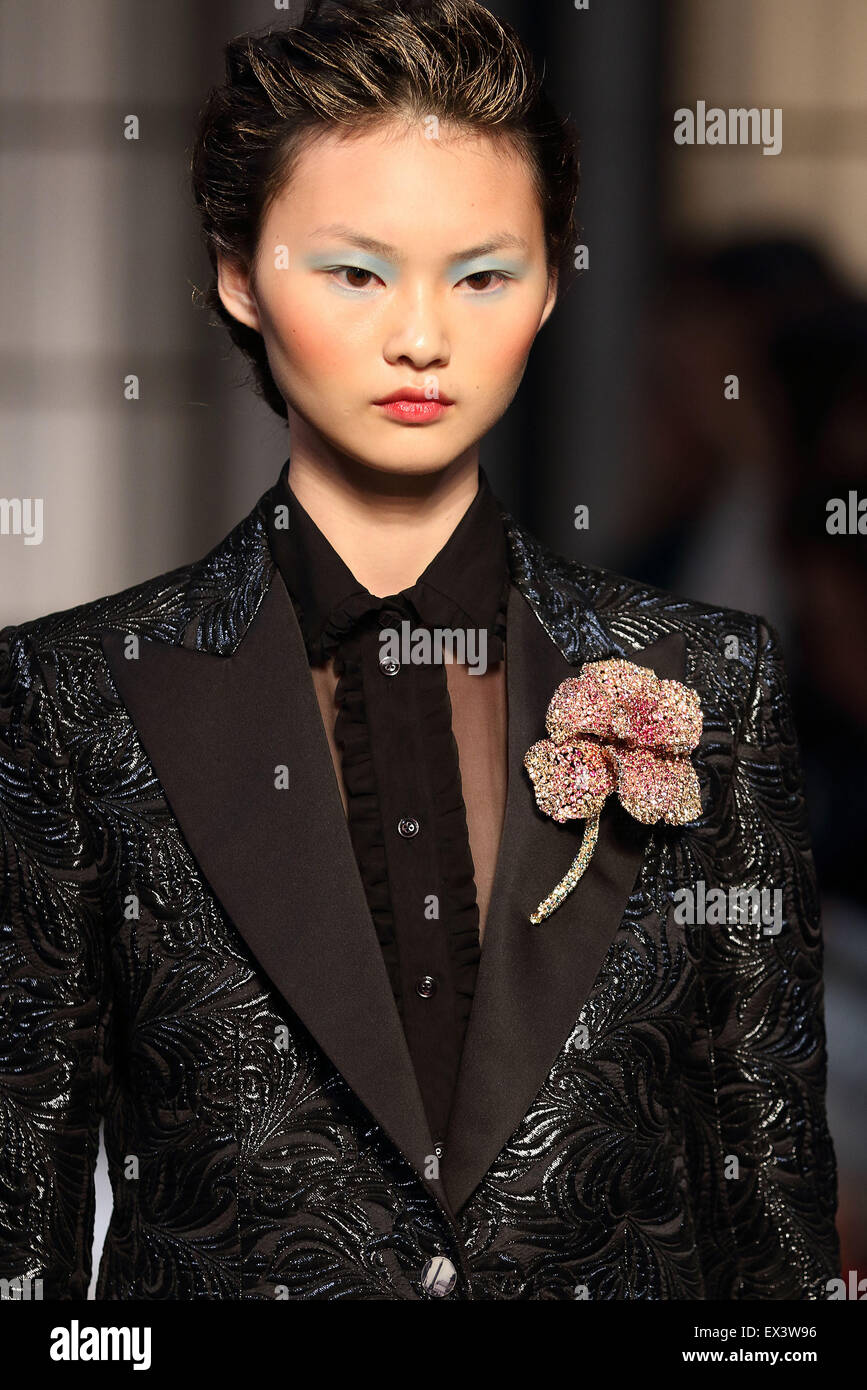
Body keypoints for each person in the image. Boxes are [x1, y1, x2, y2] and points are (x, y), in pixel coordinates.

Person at [0, 0, 840, 1300]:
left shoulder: (707, 686)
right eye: (355, 270)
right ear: (237, 270)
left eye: (483, 273)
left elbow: (771, 1203)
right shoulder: (76, 701)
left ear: (554, 282)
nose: (421, 335)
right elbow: (26, 1227)